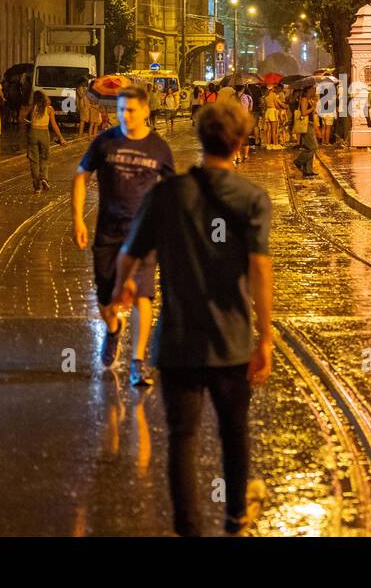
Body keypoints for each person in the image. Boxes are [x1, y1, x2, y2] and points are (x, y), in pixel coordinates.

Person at [112, 100, 271, 536]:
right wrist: (266, 336)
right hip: (232, 340)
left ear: (200, 138)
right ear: (240, 143)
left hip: (179, 339)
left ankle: (189, 529)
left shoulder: (167, 194)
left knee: (182, 438)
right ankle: (235, 516)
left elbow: (130, 253)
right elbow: (259, 271)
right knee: (233, 433)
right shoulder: (252, 199)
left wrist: (121, 287)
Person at [72, 86, 175, 387]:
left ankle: (137, 362)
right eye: (120, 111)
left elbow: (173, 190)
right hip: (108, 233)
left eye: (130, 110)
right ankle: (113, 329)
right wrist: (77, 218)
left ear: (145, 110)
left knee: (143, 294)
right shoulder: (105, 142)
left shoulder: (159, 147)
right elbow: (81, 175)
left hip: (143, 236)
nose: (125, 116)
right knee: (105, 298)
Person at [27, 90, 66, 192]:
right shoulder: (49, 109)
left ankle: (36, 187)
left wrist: (29, 121)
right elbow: (54, 125)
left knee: (34, 160)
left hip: (33, 133)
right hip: (44, 133)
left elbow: (21, 118)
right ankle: (43, 178)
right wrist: (61, 138)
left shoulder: (32, 107)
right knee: (44, 158)